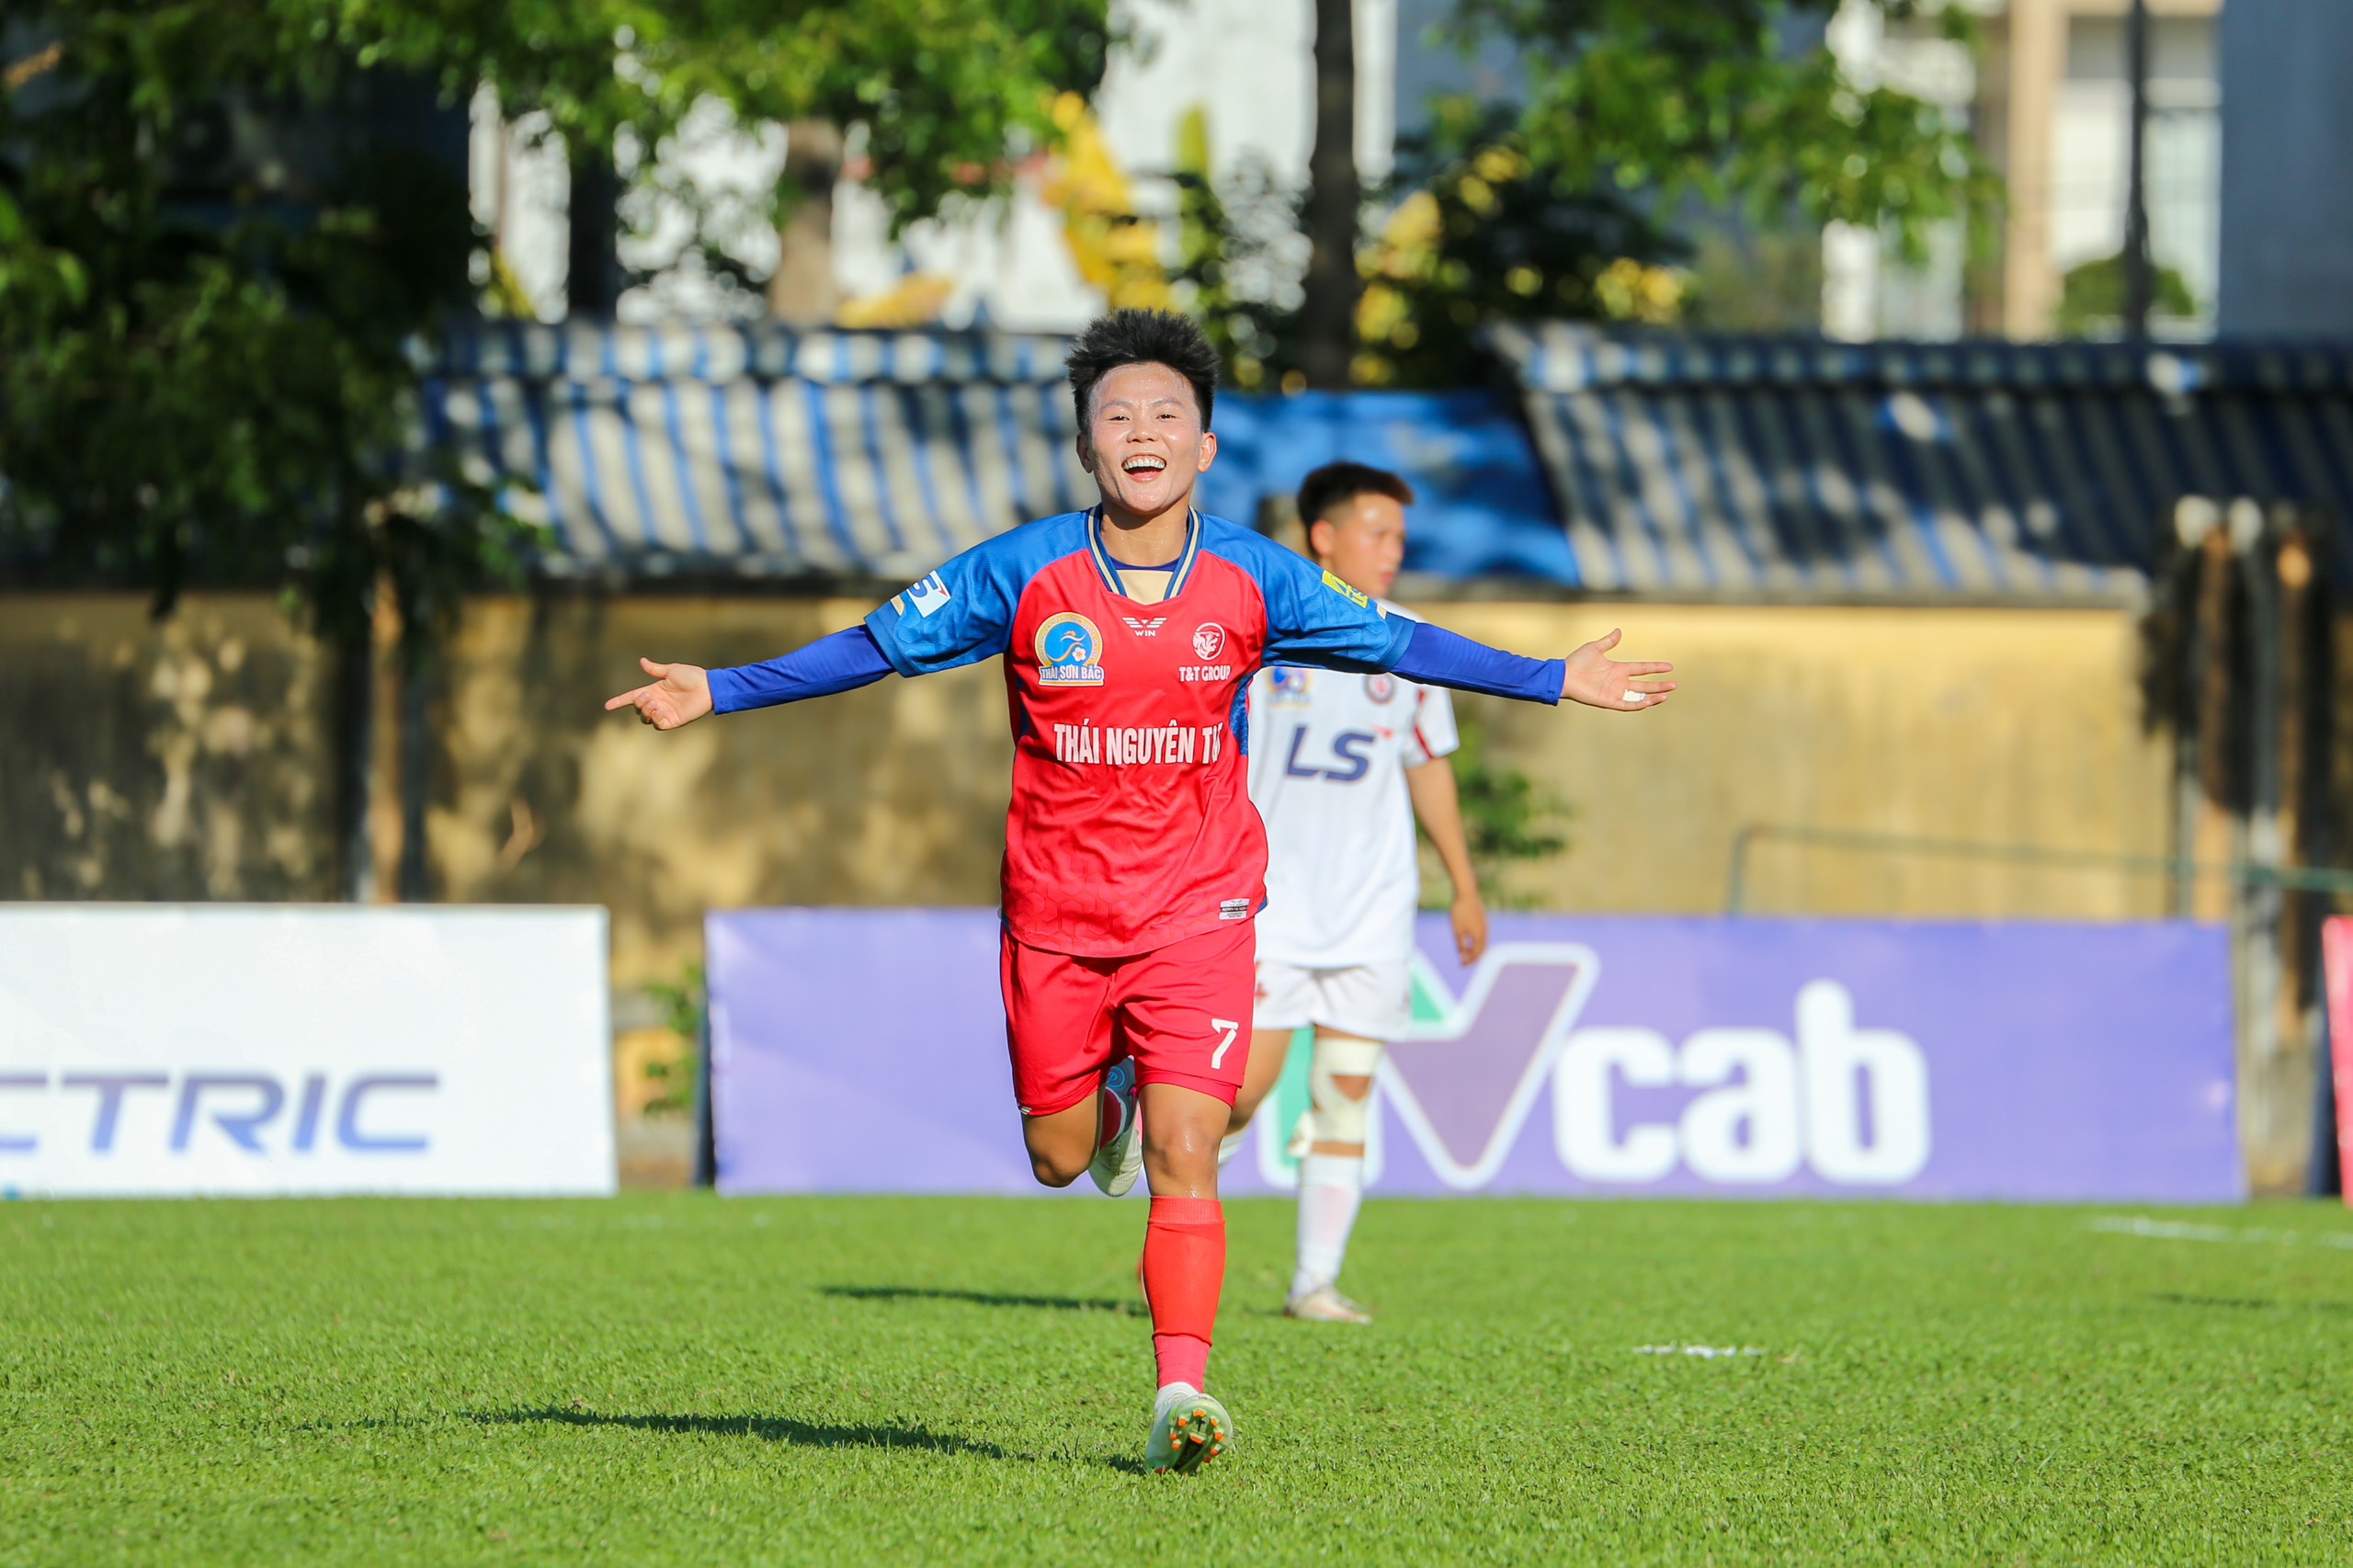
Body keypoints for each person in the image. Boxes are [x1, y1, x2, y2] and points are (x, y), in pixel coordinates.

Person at [603, 309, 1675, 1475]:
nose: (1143, 430)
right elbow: (873, 645)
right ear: (1086, 448)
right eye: (1117, 415)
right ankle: (1101, 1107)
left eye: (1168, 413)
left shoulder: (1257, 579)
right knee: (1061, 1156)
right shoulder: (1021, 571)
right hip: (1057, 915)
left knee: (1190, 1147)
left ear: (1205, 447)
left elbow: (1398, 644)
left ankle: (1182, 1389)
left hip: (1201, 908)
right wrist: (723, 688)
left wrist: (1550, 677)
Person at [1222, 462, 1484, 1324]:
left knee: (1345, 1093)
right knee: (1240, 1096)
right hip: (1271, 911)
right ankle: (1186, 1236)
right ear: (1323, 539)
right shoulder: (1260, 637)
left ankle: (1314, 1283)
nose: (1394, 551)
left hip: (1373, 910)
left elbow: (1427, 765)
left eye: (1401, 538)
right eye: (1378, 532)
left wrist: (1464, 886)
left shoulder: (1409, 642)